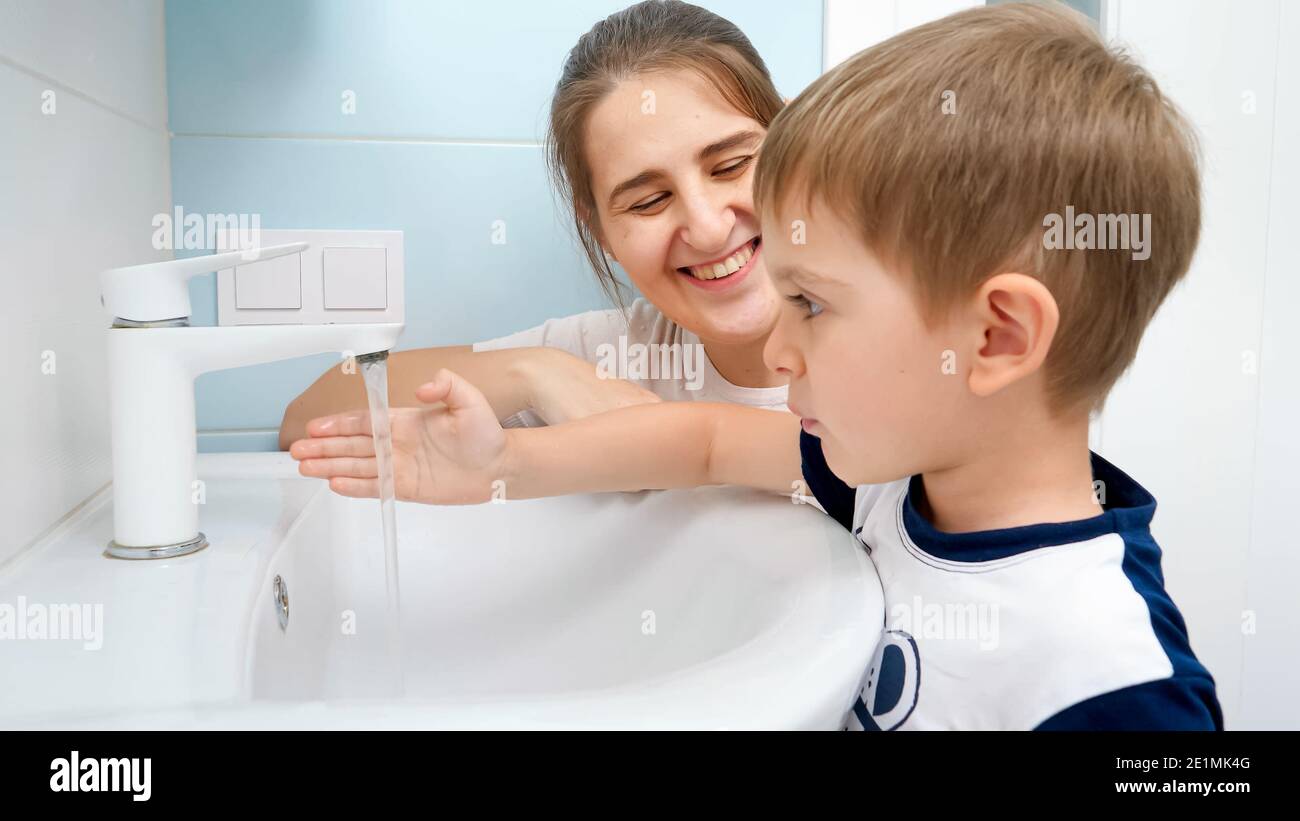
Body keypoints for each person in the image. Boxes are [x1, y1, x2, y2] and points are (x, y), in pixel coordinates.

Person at [292, 2, 1223, 730]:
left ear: (997, 338)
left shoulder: (1118, 684)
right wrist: (505, 466)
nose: (782, 348)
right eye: (647, 197)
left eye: (812, 303)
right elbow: (700, 441)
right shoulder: (892, 487)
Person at [279, 0, 791, 450]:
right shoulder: (619, 357)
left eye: (731, 166)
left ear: (795, 144)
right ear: (598, 232)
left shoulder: (871, 344)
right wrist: (535, 373)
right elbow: (308, 418)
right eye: (650, 201)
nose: (706, 227)